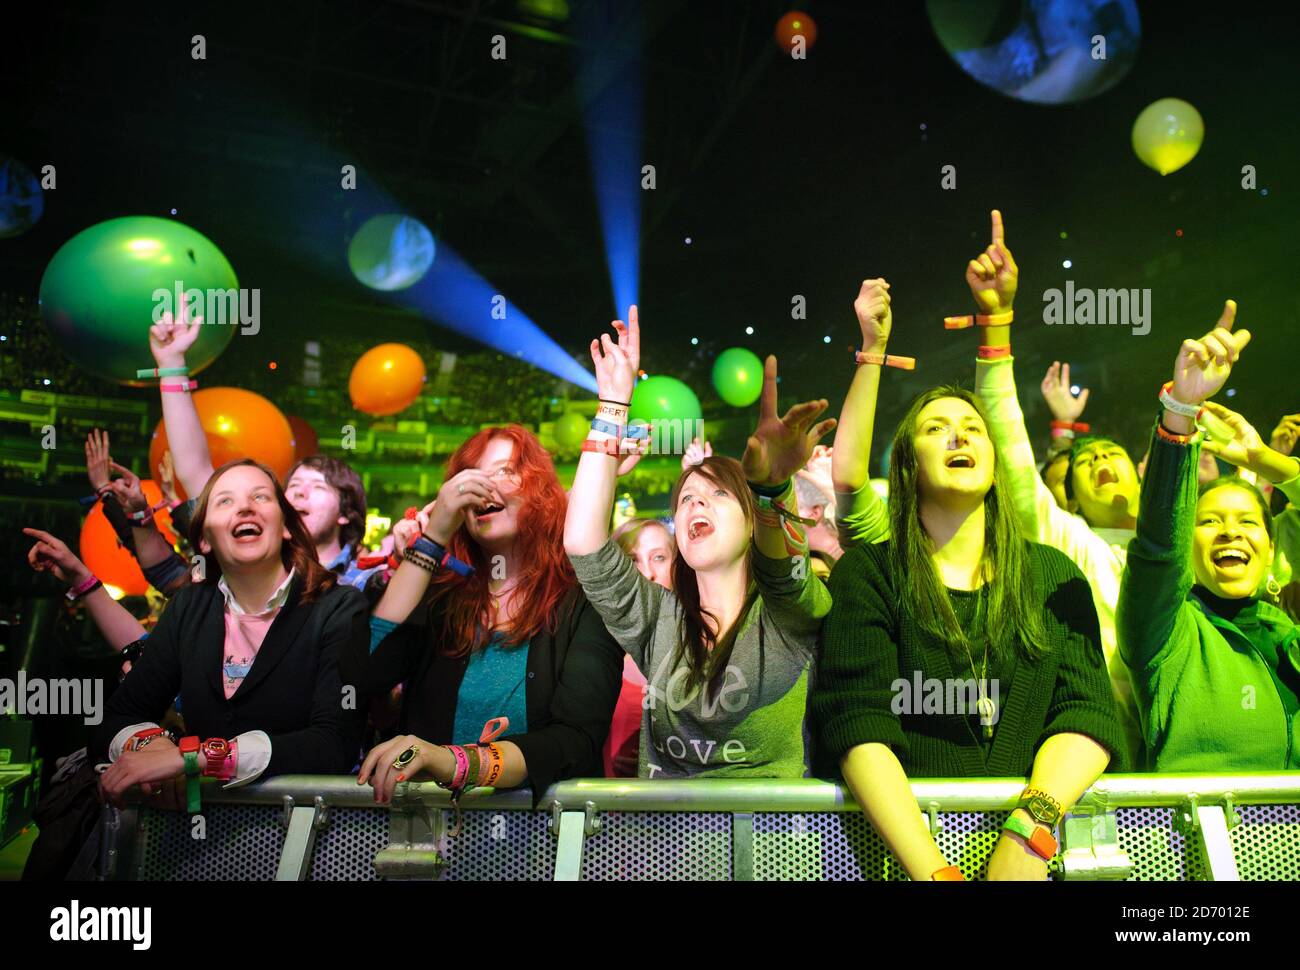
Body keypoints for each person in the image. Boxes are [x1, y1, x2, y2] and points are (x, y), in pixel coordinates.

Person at [815, 381, 1123, 881]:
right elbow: (859, 724)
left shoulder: (1054, 575)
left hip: (1044, 859)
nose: (960, 438)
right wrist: (933, 871)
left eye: (973, 429)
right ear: (907, 465)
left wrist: (1027, 838)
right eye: (936, 429)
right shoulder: (870, 574)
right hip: (897, 861)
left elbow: (1085, 713)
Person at [565, 306, 833, 778]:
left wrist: (772, 489)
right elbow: (585, 544)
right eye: (686, 498)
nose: (695, 505)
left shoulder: (786, 615)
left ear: (753, 523)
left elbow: (786, 572)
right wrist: (611, 405)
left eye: (718, 493)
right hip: (666, 848)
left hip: (775, 846)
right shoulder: (658, 619)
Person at [348, 424, 624, 803]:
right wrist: (431, 541)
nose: (482, 484)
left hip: (544, 841)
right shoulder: (442, 599)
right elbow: (363, 672)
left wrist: (454, 763)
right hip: (429, 835)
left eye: (505, 471)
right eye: (470, 474)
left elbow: (574, 740)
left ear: (540, 492)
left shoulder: (583, 600)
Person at [94, 459, 369, 809]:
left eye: (260, 497)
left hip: (301, 831)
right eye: (225, 501)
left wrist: (199, 759)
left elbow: (335, 742)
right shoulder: (190, 607)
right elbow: (116, 717)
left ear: (285, 526)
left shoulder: (339, 608)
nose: (244, 506)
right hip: (197, 836)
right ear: (205, 539)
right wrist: (152, 745)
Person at [1118, 316, 1300, 771]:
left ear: (1269, 547)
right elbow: (1159, 543)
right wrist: (1180, 408)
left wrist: (1265, 461)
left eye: (1248, 522)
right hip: (1196, 840)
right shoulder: (1165, 632)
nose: (1231, 532)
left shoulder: (1288, 634)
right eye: (1211, 521)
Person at [147, 306, 379, 589]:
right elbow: (193, 468)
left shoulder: (367, 584)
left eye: (318, 487)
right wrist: (172, 366)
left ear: (345, 514)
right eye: (293, 487)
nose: (300, 493)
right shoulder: (250, 564)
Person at [606, 517, 675, 775]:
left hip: (675, 810)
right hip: (604, 807)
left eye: (659, 557)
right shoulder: (596, 648)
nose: (647, 572)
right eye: (632, 560)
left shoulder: (699, 647)